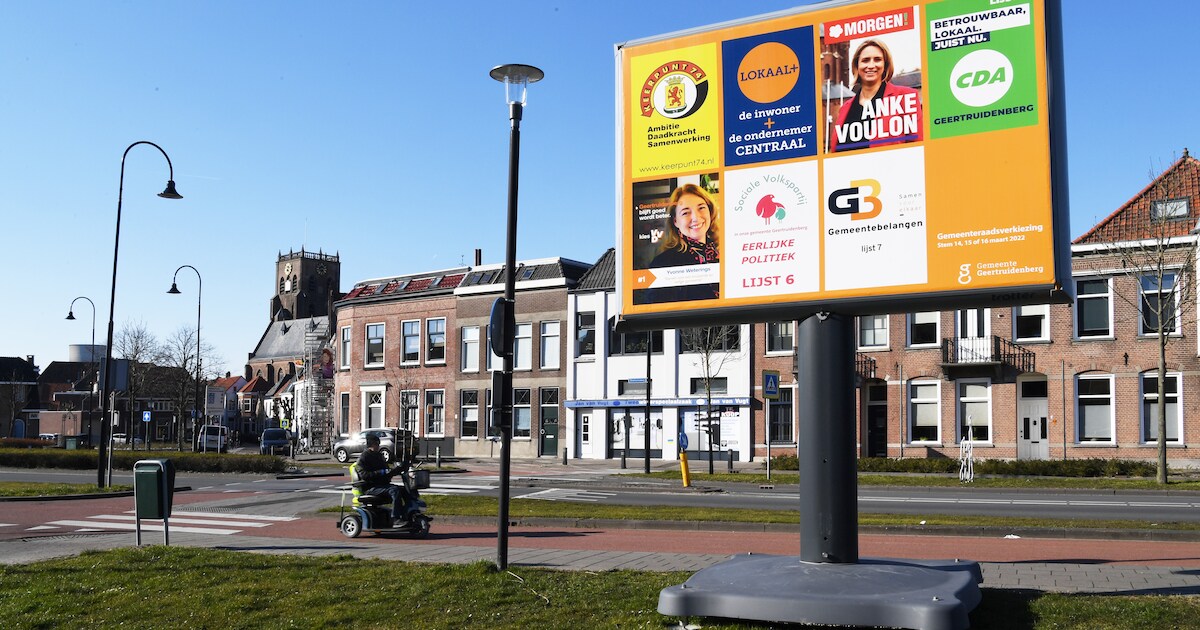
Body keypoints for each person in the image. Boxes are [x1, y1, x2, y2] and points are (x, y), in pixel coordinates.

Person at [830, 39, 923, 152]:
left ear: (885, 64)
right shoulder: (845, 108)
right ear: (857, 65)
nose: (871, 65)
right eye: (865, 60)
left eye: (877, 59)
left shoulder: (905, 97)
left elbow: (919, 146)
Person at [642, 183, 721, 302]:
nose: (695, 217)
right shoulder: (663, 263)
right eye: (685, 212)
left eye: (701, 208)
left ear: (710, 211)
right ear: (675, 221)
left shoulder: (726, 253)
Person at [352, 433, 411, 526]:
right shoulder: (363, 458)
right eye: (377, 444)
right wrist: (380, 472)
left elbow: (387, 471)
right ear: (371, 445)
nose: (378, 446)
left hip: (381, 485)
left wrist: (399, 469)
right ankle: (395, 519)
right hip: (370, 487)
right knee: (394, 491)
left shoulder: (379, 456)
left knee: (404, 490)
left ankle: (408, 515)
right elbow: (364, 475)